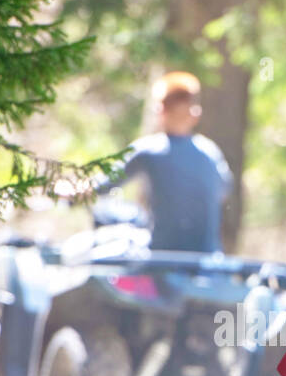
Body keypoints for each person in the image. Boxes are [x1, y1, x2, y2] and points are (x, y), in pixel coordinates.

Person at [94, 71, 233, 253]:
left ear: (161, 111)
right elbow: (223, 192)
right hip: (209, 263)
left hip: (161, 263)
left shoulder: (149, 150)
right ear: (195, 114)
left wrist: (67, 190)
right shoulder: (211, 152)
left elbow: (103, 185)